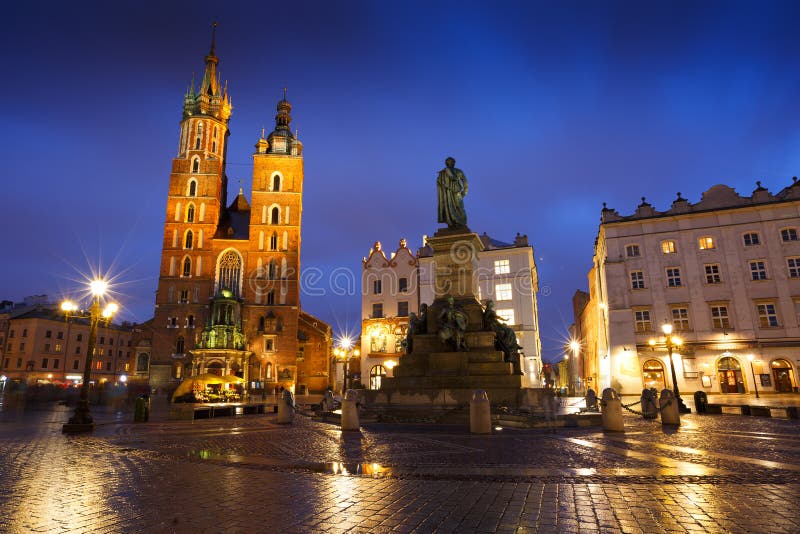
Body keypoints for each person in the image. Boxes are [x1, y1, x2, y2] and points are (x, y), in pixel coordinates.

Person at [437, 157, 468, 228]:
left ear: (454, 163)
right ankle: (451, 223)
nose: (449, 163)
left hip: (457, 192)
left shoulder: (458, 171)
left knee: (459, 207)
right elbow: (439, 182)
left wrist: (465, 191)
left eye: (451, 162)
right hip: (447, 193)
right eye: (448, 162)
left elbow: (465, 181)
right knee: (448, 208)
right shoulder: (443, 172)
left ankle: (461, 222)